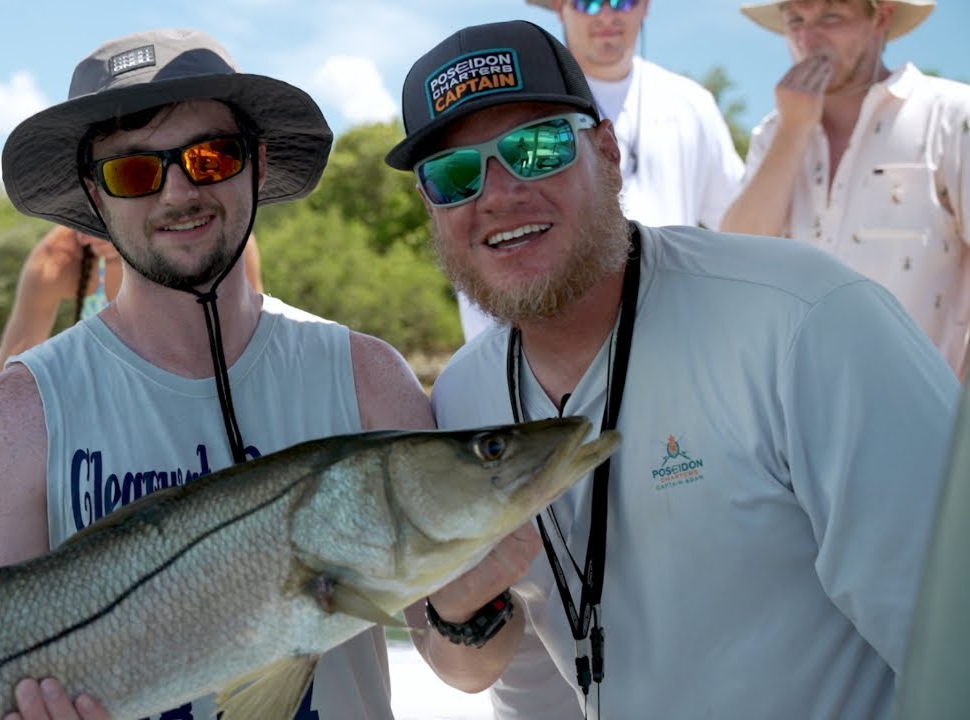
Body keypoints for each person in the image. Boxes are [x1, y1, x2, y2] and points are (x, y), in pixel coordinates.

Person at [384, 19, 959, 719]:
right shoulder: (468, 400)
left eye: (537, 148)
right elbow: (525, 682)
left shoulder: (803, 322)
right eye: (452, 174)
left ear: (607, 151)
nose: (499, 193)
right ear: (430, 207)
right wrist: (456, 619)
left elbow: (950, 645)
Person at [0, 28, 433, 720]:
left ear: (256, 165)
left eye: (209, 156)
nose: (177, 192)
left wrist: (482, 604)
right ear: (95, 197)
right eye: (133, 172)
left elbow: (467, 668)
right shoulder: (12, 420)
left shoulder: (369, 378)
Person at [0, 226, 263, 571]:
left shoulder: (218, 240)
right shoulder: (57, 260)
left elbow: (253, 371)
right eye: (78, 204)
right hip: (104, 464)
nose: (92, 219)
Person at [454, 0, 745, 342]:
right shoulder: (519, 106)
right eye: (586, 2)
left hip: (674, 338)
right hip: (540, 349)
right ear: (560, 9)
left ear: (645, 7)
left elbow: (738, 232)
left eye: (623, 1)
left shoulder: (691, 102)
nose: (607, 14)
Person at [720, 0, 970, 379]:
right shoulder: (772, 132)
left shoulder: (952, 116)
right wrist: (794, 131)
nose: (808, 38)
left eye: (831, 16)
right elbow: (736, 262)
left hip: (929, 417)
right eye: (796, 20)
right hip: (795, 420)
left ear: (880, 18)